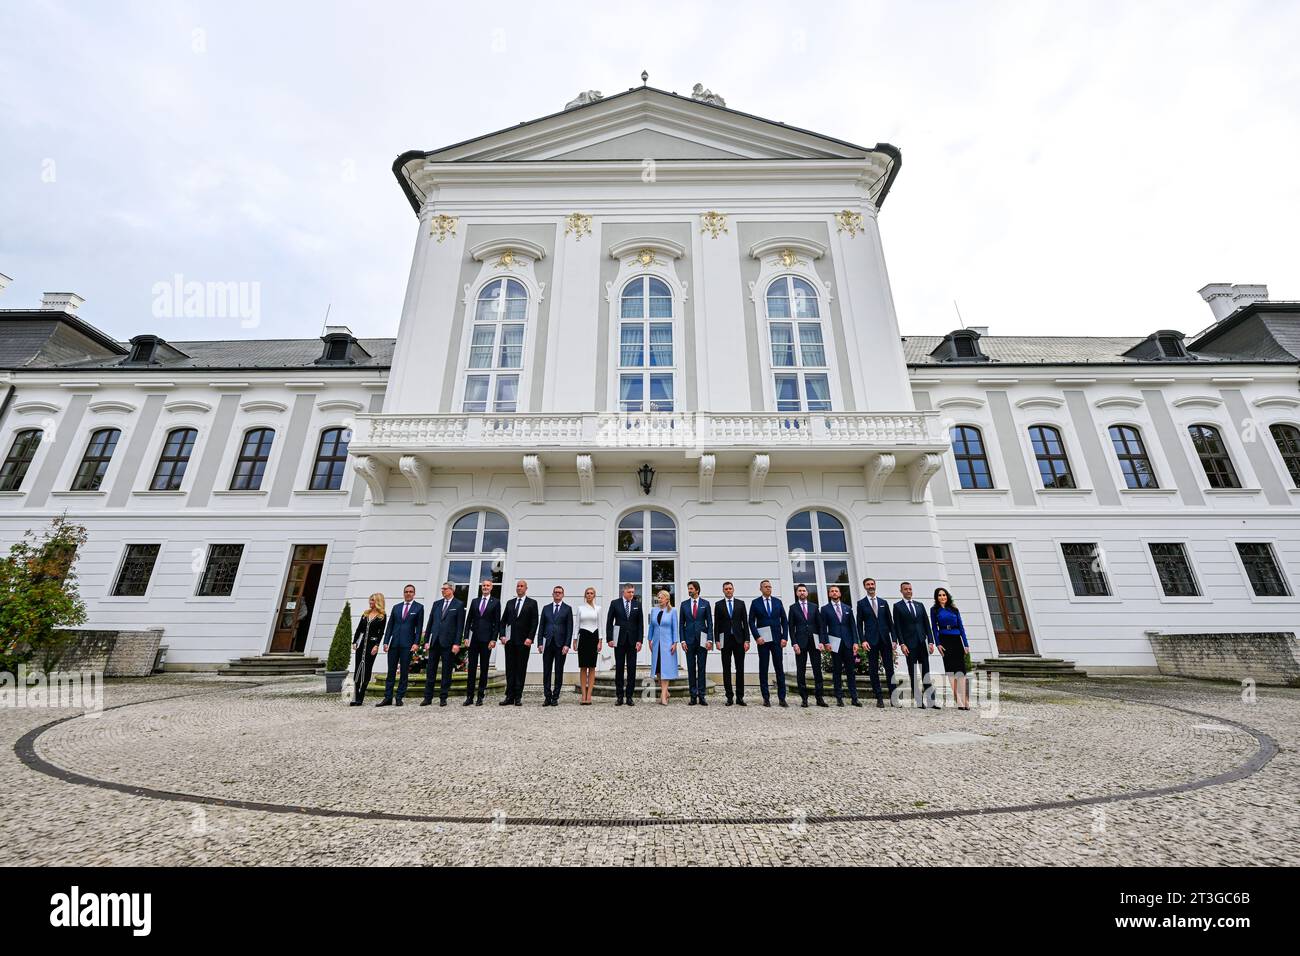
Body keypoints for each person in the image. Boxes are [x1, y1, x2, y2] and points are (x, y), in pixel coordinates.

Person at [377, 584, 424, 707]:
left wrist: (416, 643)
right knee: (391, 671)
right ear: (404, 593)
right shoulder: (396, 608)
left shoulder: (419, 608)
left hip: (407, 645)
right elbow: (390, 626)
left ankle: (399, 697)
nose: (408, 593)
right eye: (406, 592)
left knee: (404, 672)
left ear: (414, 593)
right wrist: (386, 641)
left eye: (411, 591)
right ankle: (387, 697)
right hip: (394, 644)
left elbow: (418, 628)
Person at [893, 582, 936, 710]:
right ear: (901, 591)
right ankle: (918, 700)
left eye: (910, 589)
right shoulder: (897, 606)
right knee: (913, 672)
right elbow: (897, 627)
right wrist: (902, 643)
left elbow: (927, 624)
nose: (908, 591)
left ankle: (931, 701)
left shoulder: (919, 605)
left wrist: (930, 641)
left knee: (926, 672)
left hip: (922, 643)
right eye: (905, 589)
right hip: (909, 645)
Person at [421, 582, 465, 706]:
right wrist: (426, 641)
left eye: (445, 589)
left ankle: (443, 697)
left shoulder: (459, 605)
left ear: (452, 590)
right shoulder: (437, 604)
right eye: (442, 589)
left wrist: (457, 643)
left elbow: (459, 627)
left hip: (449, 643)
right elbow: (430, 623)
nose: (443, 591)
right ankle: (427, 697)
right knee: (430, 670)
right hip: (434, 642)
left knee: (446, 671)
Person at [748, 579, 788, 707]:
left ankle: (782, 698)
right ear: (760, 589)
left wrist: (784, 637)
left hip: (777, 639)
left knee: (779, 668)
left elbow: (784, 621)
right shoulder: (755, 603)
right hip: (763, 640)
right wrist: (757, 637)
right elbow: (751, 622)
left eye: (770, 587)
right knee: (763, 668)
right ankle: (766, 698)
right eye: (765, 587)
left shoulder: (777, 602)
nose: (768, 588)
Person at [856, 577, 896, 708]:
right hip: (870, 641)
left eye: (872, 584)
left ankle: (893, 697)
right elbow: (859, 624)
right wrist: (863, 641)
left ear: (875, 585)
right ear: (865, 587)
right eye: (868, 584)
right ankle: (879, 697)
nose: (870, 586)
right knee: (873, 670)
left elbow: (890, 623)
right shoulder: (861, 604)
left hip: (885, 639)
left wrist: (894, 639)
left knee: (889, 668)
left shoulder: (883, 602)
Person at [931, 587, 971, 710]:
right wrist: (938, 644)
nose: (942, 597)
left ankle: (965, 699)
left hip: (956, 640)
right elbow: (934, 628)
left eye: (944, 595)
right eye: (939, 595)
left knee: (961, 671)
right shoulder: (934, 610)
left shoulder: (954, 610)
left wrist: (966, 644)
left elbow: (961, 627)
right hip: (944, 641)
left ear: (947, 596)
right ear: (936, 598)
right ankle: (958, 699)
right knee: (950, 671)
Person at [462, 578, 500, 706]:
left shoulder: (495, 602)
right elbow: (468, 621)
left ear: (491, 587)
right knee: (471, 668)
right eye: (483, 585)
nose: (485, 587)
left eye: (488, 585)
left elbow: (497, 623)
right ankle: (469, 696)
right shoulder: (474, 601)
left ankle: (480, 696)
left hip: (487, 640)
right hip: (474, 640)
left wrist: (494, 639)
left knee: (484, 669)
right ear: (481, 587)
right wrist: (466, 636)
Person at [499, 579, 538, 706]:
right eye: (518, 586)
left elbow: (534, 622)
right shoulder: (510, 603)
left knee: (521, 668)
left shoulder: (532, 603)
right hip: (510, 641)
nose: (519, 588)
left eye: (522, 586)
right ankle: (509, 696)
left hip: (524, 641)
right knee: (510, 668)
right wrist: (502, 635)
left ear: (526, 588)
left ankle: (518, 696)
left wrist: (530, 638)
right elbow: (503, 621)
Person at [820, 585, 860, 706]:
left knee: (850, 671)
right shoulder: (825, 609)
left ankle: (854, 698)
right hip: (834, 643)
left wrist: (855, 642)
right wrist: (826, 642)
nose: (834, 593)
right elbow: (823, 627)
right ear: (829, 594)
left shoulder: (847, 608)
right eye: (832, 591)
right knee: (837, 671)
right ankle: (839, 697)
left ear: (840, 594)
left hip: (848, 643)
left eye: (836, 591)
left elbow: (853, 626)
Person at [788, 585, 826, 708]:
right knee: (801, 671)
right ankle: (804, 698)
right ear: (796, 593)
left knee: (817, 670)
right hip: (800, 643)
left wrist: (821, 641)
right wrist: (794, 643)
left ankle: (819, 697)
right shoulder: (793, 608)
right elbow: (791, 628)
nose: (802, 592)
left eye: (804, 590)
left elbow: (820, 626)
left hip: (815, 643)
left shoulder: (814, 607)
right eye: (800, 591)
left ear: (807, 593)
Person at [605, 583, 644, 707]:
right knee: (619, 669)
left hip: (633, 642)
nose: (632, 594)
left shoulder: (637, 604)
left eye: (633, 592)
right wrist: (609, 638)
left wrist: (640, 640)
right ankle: (619, 696)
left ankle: (629, 697)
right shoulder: (615, 603)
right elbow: (609, 622)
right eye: (629, 592)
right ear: (624, 591)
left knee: (632, 669)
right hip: (619, 640)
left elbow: (640, 624)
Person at [713, 582, 748, 706]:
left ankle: (740, 697)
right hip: (725, 640)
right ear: (723, 591)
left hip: (739, 640)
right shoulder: (718, 605)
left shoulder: (740, 604)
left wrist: (747, 640)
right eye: (726, 589)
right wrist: (716, 640)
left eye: (730, 588)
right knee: (726, 669)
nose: (728, 590)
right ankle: (729, 697)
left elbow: (745, 623)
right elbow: (716, 624)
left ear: (733, 589)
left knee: (740, 669)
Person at [679, 580, 712, 706]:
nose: (689, 590)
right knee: (691, 668)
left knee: (702, 668)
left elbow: (709, 623)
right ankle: (693, 696)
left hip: (703, 639)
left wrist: (709, 640)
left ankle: (702, 695)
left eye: (691, 588)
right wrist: (682, 640)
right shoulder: (684, 605)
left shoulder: (705, 604)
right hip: (689, 640)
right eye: (688, 588)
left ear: (697, 590)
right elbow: (681, 624)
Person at [539, 586, 574, 706]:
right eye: (556, 592)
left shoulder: (567, 609)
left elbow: (570, 628)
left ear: (563, 594)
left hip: (561, 645)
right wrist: (539, 643)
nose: (557, 594)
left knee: (559, 671)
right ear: (552, 594)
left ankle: (555, 697)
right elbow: (541, 627)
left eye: (560, 592)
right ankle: (547, 696)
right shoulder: (546, 608)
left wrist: (567, 644)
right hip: (547, 644)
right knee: (547, 671)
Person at [349, 593, 386, 705]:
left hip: (371, 646)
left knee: (367, 669)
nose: (370, 603)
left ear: (378, 602)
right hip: (361, 645)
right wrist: (355, 642)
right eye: (370, 600)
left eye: (373, 601)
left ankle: (361, 697)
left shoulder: (382, 616)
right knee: (358, 669)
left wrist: (377, 645)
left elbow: (381, 632)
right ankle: (355, 697)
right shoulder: (365, 614)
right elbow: (359, 629)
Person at [647, 589, 679, 705]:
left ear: (666, 599)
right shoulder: (654, 610)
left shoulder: (673, 611)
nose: (659, 599)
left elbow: (675, 628)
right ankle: (666, 692)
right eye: (658, 597)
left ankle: (663, 696)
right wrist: (649, 640)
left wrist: (675, 642)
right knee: (659, 669)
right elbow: (651, 627)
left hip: (668, 644)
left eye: (661, 597)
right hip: (656, 643)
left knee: (666, 669)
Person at [576, 587, 602, 705]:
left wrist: (600, 640)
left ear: (594, 595)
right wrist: (575, 640)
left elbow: (600, 625)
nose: (589, 595)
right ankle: (583, 695)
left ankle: (589, 695)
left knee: (592, 667)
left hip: (594, 637)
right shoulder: (580, 608)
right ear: (585, 595)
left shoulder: (598, 608)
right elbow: (577, 625)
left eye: (592, 593)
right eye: (587, 593)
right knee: (583, 667)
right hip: (583, 637)